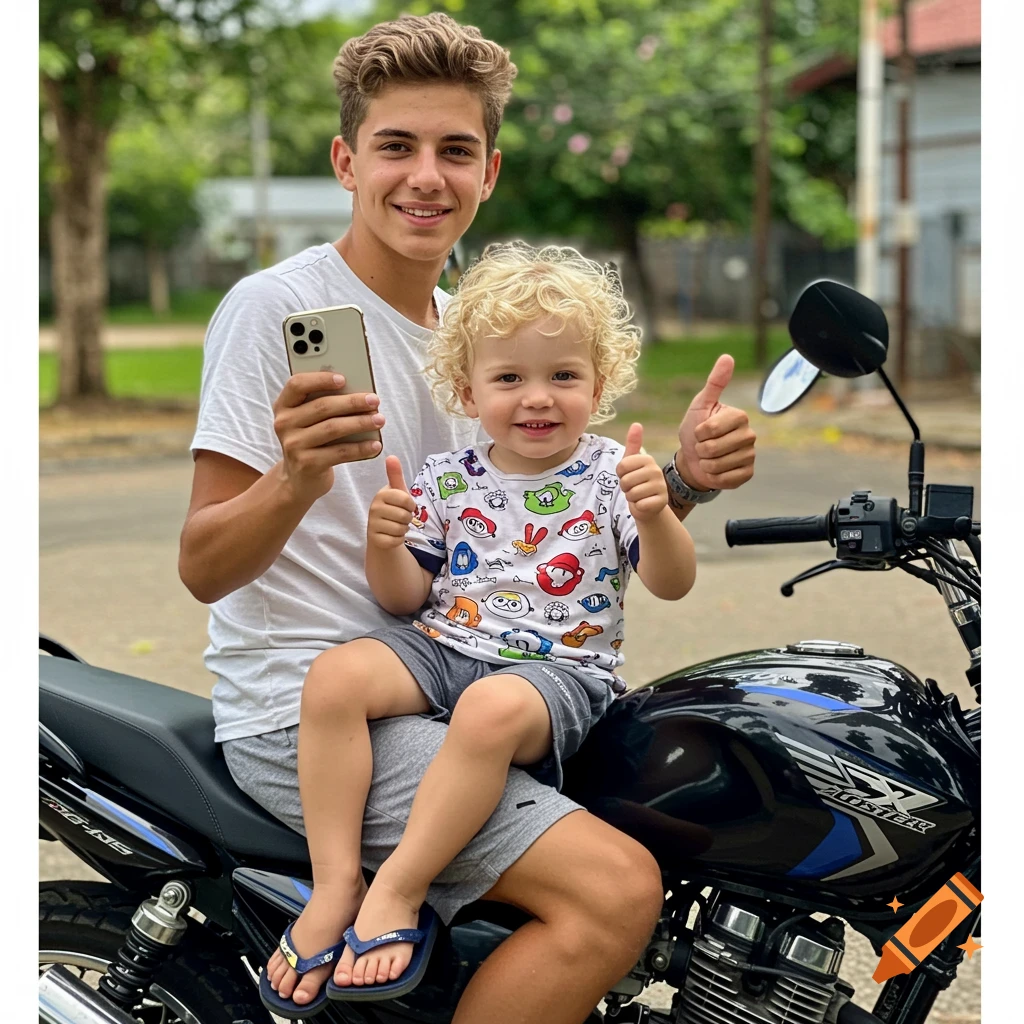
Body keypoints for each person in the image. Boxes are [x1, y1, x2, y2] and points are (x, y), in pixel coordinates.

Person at [178, 12, 757, 1022]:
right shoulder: (276, 309)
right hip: (307, 708)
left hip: (457, 680)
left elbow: (549, 498)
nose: (424, 177)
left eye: (455, 150)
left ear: (489, 173)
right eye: (395, 146)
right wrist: (298, 480)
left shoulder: (474, 337)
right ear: (345, 160)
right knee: (613, 891)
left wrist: (687, 479)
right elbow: (202, 564)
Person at [282, 243, 698, 1003]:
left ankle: (400, 888)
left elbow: (671, 582)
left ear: (599, 386)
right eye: (509, 378)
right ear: (468, 393)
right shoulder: (449, 477)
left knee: (489, 709)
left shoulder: (610, 477)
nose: (536, 398)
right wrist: (384, 545)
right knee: (335, 676)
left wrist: (656, 513)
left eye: (563, 377)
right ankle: (335, 880)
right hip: (446, 645)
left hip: (558, 675)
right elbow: (406, 598)